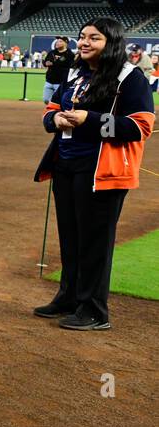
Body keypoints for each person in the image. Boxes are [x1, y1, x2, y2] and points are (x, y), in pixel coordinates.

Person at [34, 18, 153, 331]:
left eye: (94, 38)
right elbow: (49, 111)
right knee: (70, 236)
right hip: (66, 164)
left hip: (103, 170)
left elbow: (140, 127)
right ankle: (69, 296)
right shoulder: (74, 73)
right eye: (82, 37)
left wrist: (90, 119)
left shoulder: (131, 77)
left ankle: (94, 310)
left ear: (110, 42)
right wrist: (55, 119)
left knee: (95, 242)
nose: (84, 43)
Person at [43, 37, 73, 104]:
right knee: (46, 100)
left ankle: (54, 113)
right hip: (49, 81)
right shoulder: (52, 52)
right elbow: (45, 61)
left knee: (57, 102)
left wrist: (52, 63)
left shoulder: (69, 54)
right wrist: (45, 63)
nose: (57, 43)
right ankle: (52, 111)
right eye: (57, 41)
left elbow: (60, 63)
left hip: (60, 82)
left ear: (65, 43)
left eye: (60, 41)